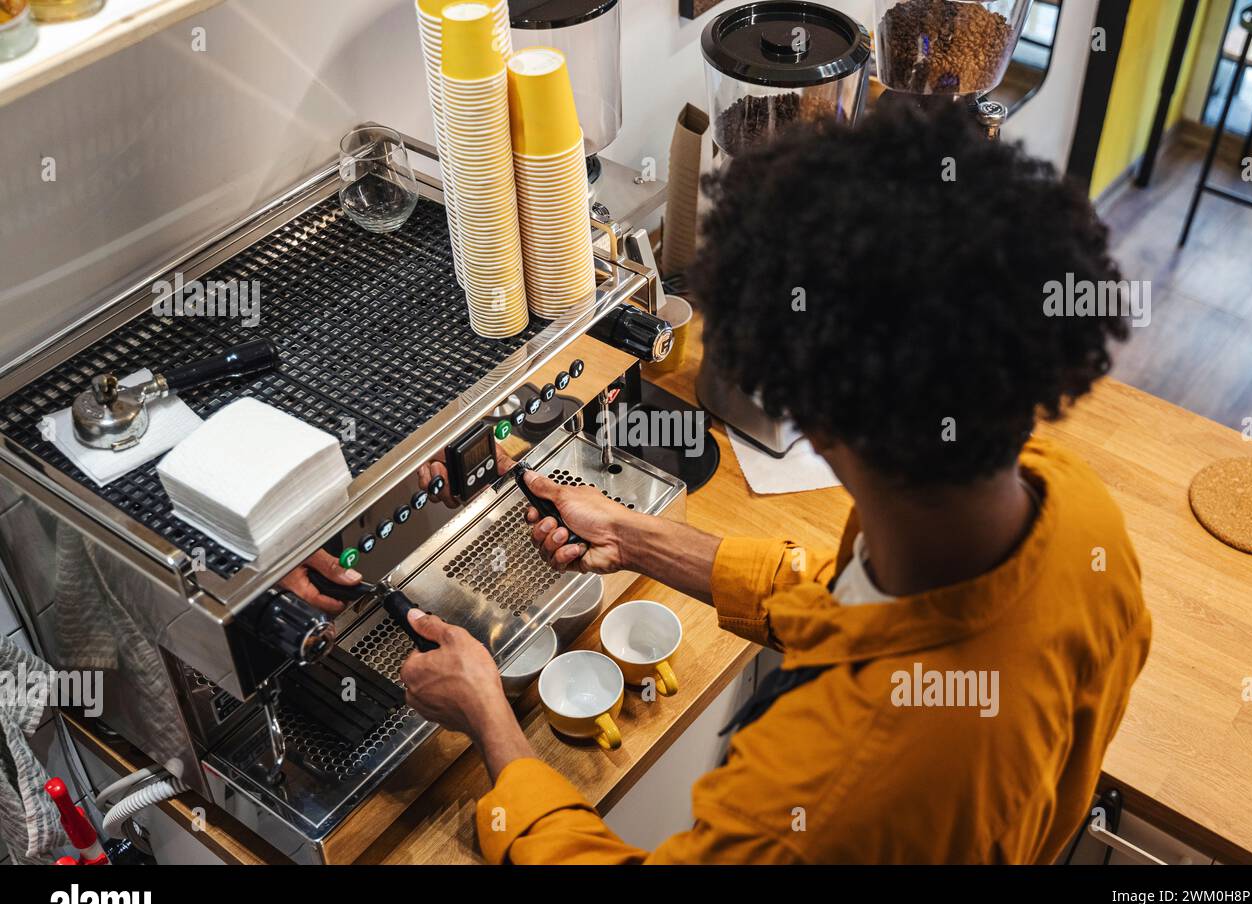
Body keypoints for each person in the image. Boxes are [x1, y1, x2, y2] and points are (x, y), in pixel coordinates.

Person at [398, 98, 1152, 864]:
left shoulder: (822, 795)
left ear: (812, 417)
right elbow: (858, 603)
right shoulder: (1082, 520)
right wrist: (631, 535)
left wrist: (490, 717)